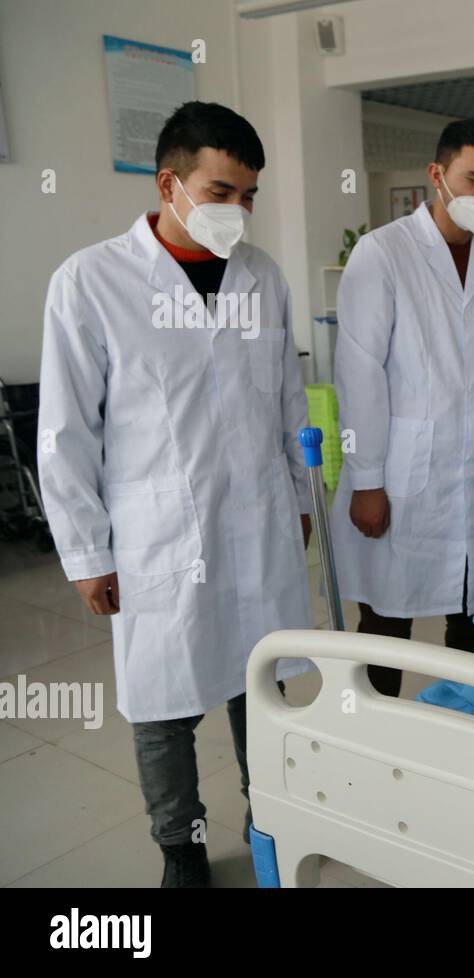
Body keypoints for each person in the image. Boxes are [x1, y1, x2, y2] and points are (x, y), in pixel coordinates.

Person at [38, 102, 314, 886]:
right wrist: (88, 552)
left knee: (261, 688)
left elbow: (289, 402)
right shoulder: (91, 282)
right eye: (222, 191)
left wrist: (298, 498)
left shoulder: (262, 276)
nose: (239, 211)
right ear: (170, 182)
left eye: (249, 195)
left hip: (258, 521)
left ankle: (273, 820)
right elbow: (65, 433)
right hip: (157, 533)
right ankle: (182, 849)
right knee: (163, 706)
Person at [330, 119, 474, 690]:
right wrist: (367, 480)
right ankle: (374, 744)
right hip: (400, 473)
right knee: (387, 618)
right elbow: (359, 372)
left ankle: (462, 732)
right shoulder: (383, 254)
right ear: (437, 175)